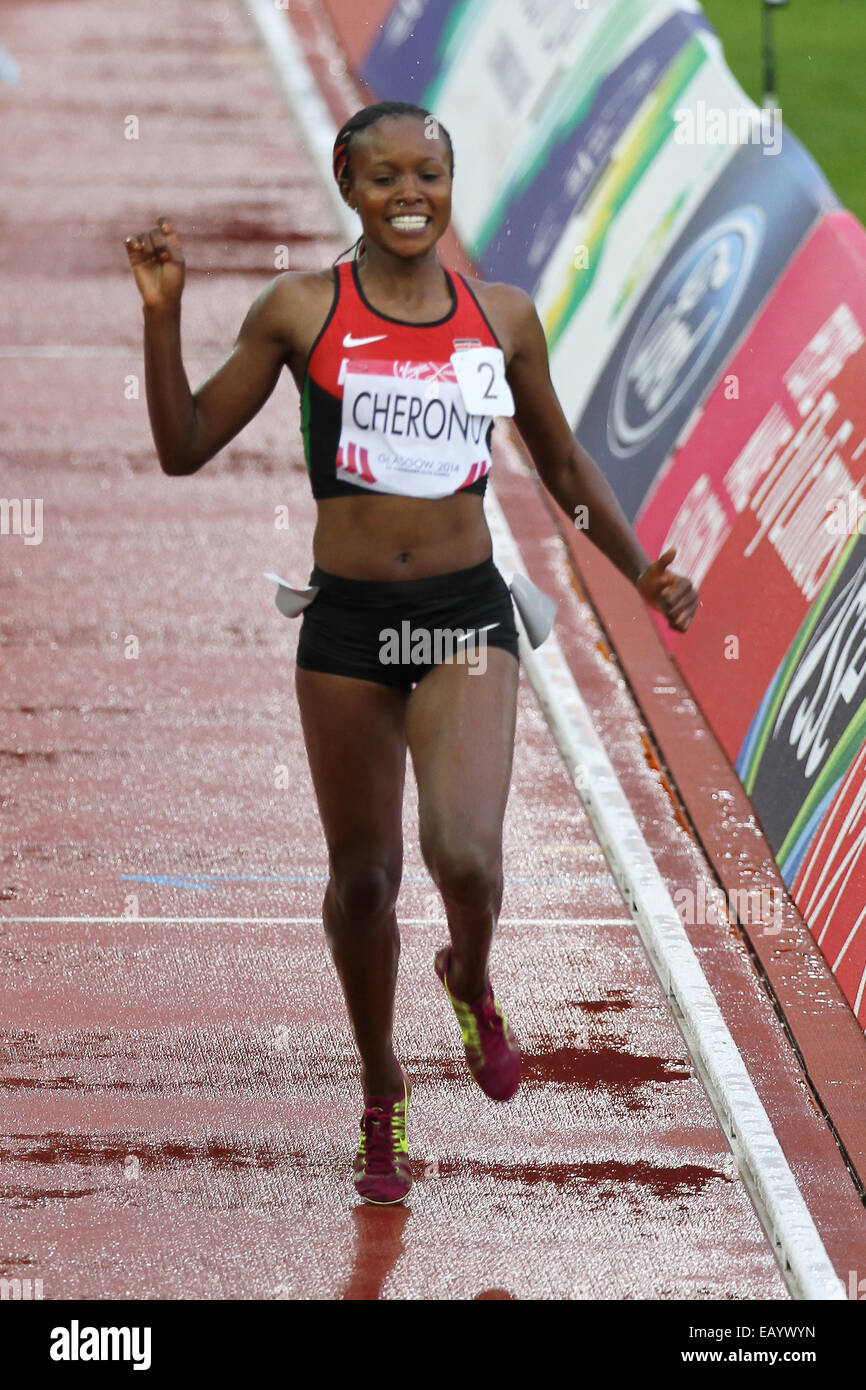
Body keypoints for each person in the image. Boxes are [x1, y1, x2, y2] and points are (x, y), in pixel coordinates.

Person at [124, 99, 698, 1208]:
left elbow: (567, 472)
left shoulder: (502, 320)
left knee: (466, 856)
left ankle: (468, 974)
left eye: (426, 176)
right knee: (364, 877)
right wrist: (163, 315)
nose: (407, 195)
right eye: (382, 176)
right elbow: (184, 447)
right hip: (345, 626)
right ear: (347, 185)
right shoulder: (301, 310)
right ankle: (379, 1084)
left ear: (448, 186)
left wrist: (641, 572)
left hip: (459, 618)